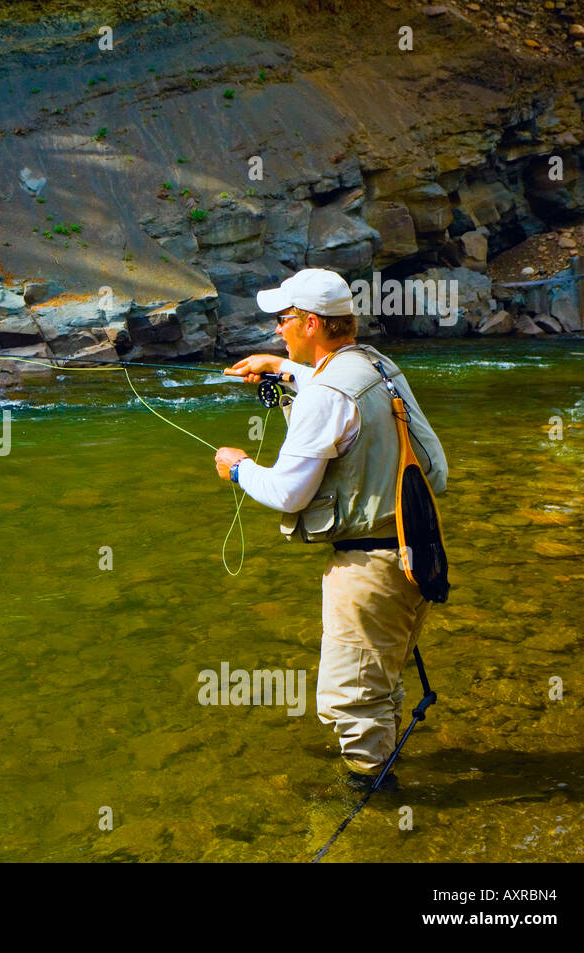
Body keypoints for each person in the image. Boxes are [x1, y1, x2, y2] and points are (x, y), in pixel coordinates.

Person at [213, 268, 447, 791]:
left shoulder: (324, 397)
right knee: (379, 681)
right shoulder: (377, 366)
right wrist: (283, 368)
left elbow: (287, 494)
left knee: (349, 699)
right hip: (416, 551)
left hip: (367, 569)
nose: (278, 329)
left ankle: (372, 807)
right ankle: (385, 771)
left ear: (312, 322)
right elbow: (350, 403)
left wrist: (238, 466)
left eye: (284, 319)